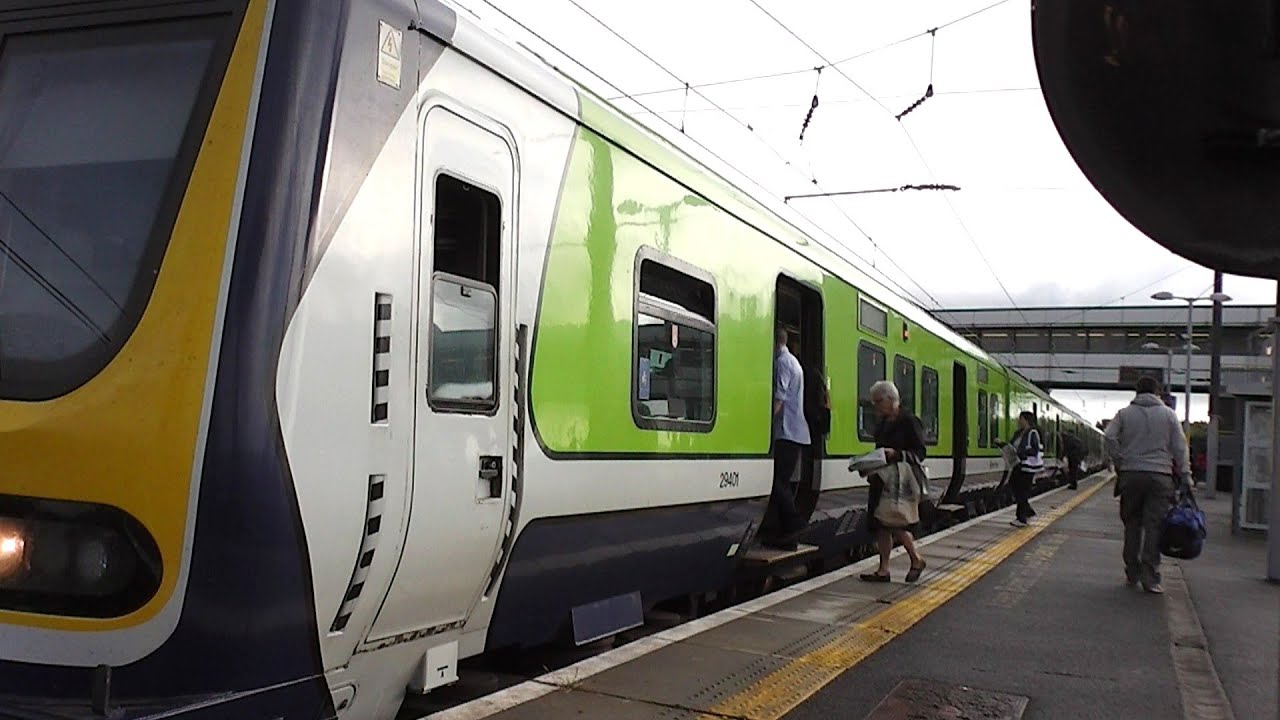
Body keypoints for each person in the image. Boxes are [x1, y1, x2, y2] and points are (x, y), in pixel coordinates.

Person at [1105, 376, 1190, 594]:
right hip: (1160, 476)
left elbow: (1109, 436)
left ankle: (1132, 572)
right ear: (1157, 391)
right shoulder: (1169, 415)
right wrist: (1186, 474)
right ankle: (1150, 577)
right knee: (1154, 526)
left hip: (1131, 474)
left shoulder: (1124, 414)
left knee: (1132, 524)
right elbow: (1180, 447)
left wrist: (1120, 460)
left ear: (1137, 391)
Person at [859, 380, 928, 583]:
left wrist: (896, 454)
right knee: (881, 524)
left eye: (878, 401)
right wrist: (869, 465)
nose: (875, 406)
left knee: (895, 522)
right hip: (882, 480)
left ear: (891, 399)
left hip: (900, 483)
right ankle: (884, 569)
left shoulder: (909, 421)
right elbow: (880, 451)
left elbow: (920, 452)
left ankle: (916, 558)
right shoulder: (883, 423)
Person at [767, 327, 811, 551]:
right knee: (782, 482)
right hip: (795, 432)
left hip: (786, 431)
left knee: (777, 482)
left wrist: (766, 423)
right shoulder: (794, 362)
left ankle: (794, 523)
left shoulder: (783, 362)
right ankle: (786, 535)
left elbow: (779, 396)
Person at [1005, 412, 1044, 527]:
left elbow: (1035, 450)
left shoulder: (1033, 433)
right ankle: (1028, 512)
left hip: (1028, 467)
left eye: (1020, 419)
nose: (1019, 421)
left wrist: (1022, 452)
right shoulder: (1018, 433)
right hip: (1019, 464)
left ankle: (1021, 518)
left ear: (1026, 420)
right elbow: (1012, 446)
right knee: (1014, 485)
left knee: (1022, 491)